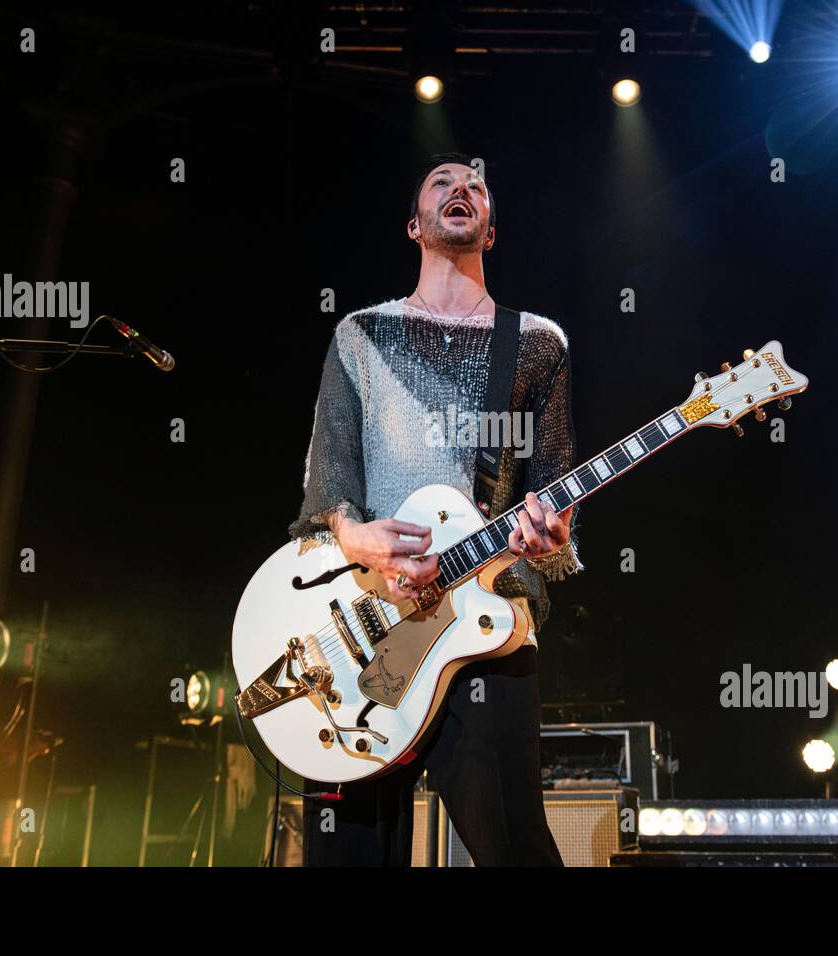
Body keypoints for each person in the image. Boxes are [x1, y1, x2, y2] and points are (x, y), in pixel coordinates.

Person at [289, 152, 582, 866]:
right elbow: (328, 481)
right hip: (367, 632)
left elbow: (553, 481)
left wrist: (552, 534)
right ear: (416, 225)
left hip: (488, 627)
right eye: (443, 182)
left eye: (477, 185)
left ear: (490, 232)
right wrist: (356, 540)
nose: (464, 188)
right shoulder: (359, 334)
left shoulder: (539, 342)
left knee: (518, 850)